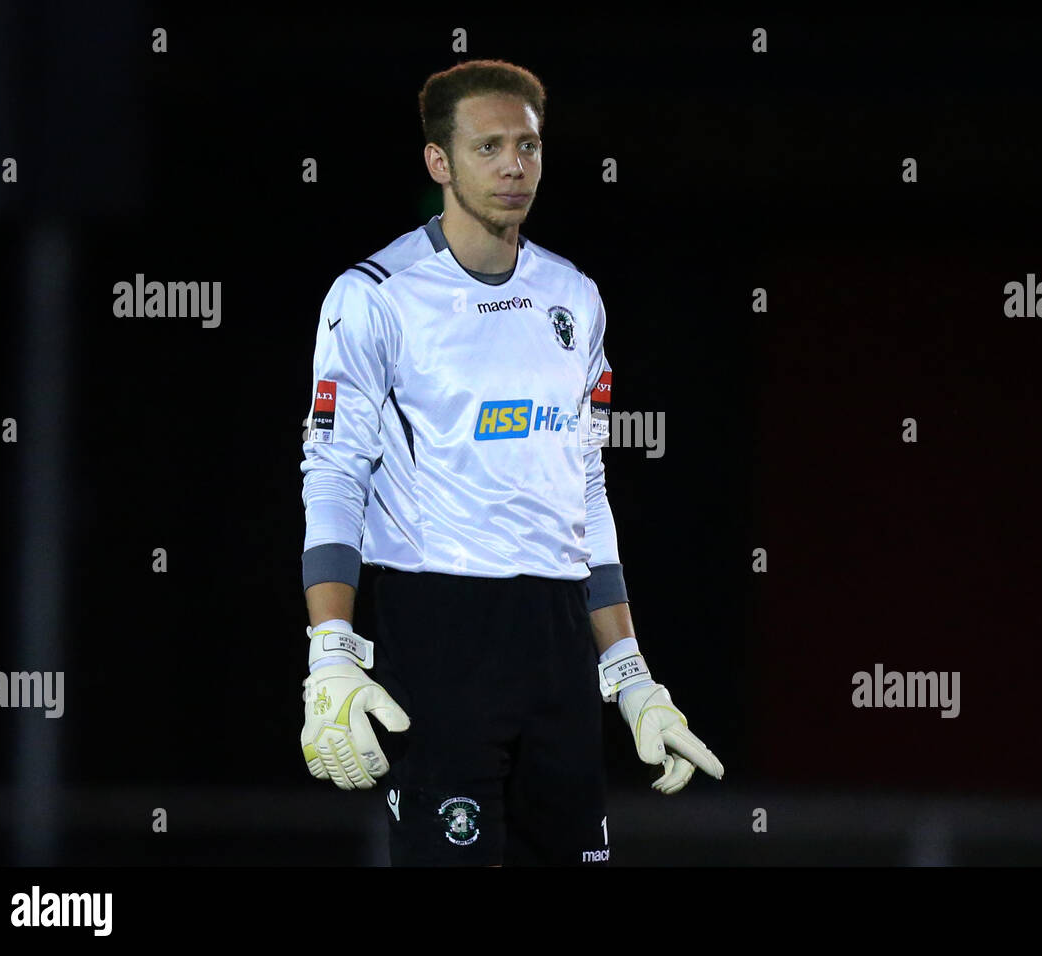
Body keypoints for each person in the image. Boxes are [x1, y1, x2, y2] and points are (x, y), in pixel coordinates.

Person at [296, 59, 723, 866]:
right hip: (438, 629)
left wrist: (631, 677)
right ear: (439, 162)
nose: (513, 167)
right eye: (488, 146)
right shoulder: (376, 296)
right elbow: (333, 473)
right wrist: (331, 651)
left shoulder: (574, 295)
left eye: (527, 146)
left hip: (558, 641)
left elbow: (585, 491)